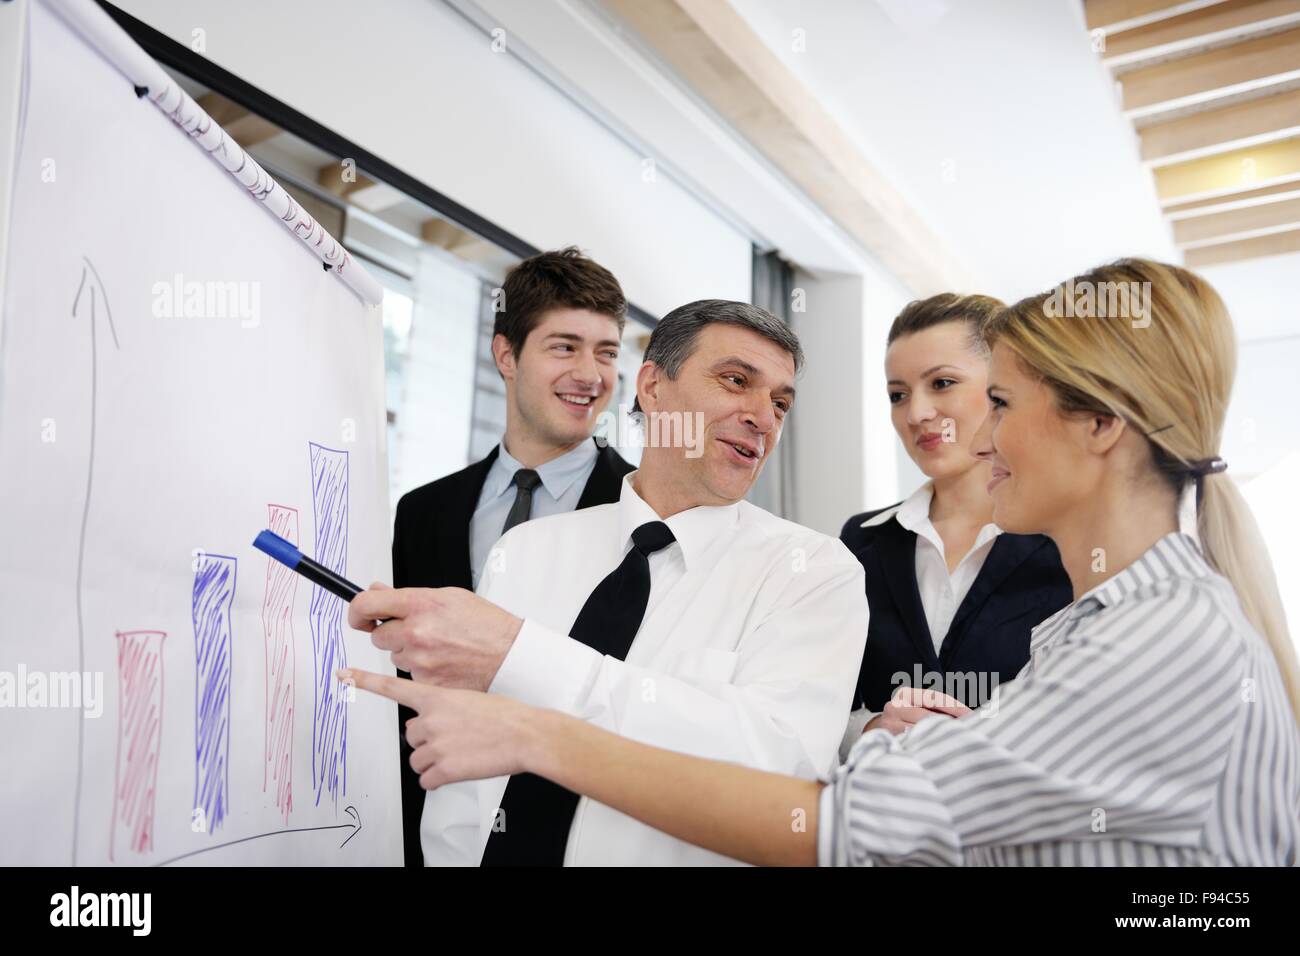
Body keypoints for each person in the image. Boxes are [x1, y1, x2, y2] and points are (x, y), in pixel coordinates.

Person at [347, 259, 1300, 866]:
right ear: (655, 388)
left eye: (997, 401)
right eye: (734, 380)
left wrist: (534, 718)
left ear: (1098, 425)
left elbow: (831, 814)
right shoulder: (1097, 629)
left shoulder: (1156, 639)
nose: (974, 432)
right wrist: (876, 736)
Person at [358, 299, 867, 865]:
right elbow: (461, 781)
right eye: (735, 381)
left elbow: (778, 771)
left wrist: (520, 653)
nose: (763, 418)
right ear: (652, 387)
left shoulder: (815, 573)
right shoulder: (524, 550)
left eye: (780, 403)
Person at [389, 246, 634, 864]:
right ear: (506, 355)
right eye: (565, 346)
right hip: (432, 820)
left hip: (578, 827)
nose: (590, 374)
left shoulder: (644, 512)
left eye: (606, 352)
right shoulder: (423, 511)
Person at [840, 294, 1071, 754]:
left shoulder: (1070, 542)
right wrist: (872, 730)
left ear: (1004, 387)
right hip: (884, 795)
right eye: (898, 395)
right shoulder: (860, 542)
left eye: (942, 383)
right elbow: (819, 705)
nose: (917, 414)